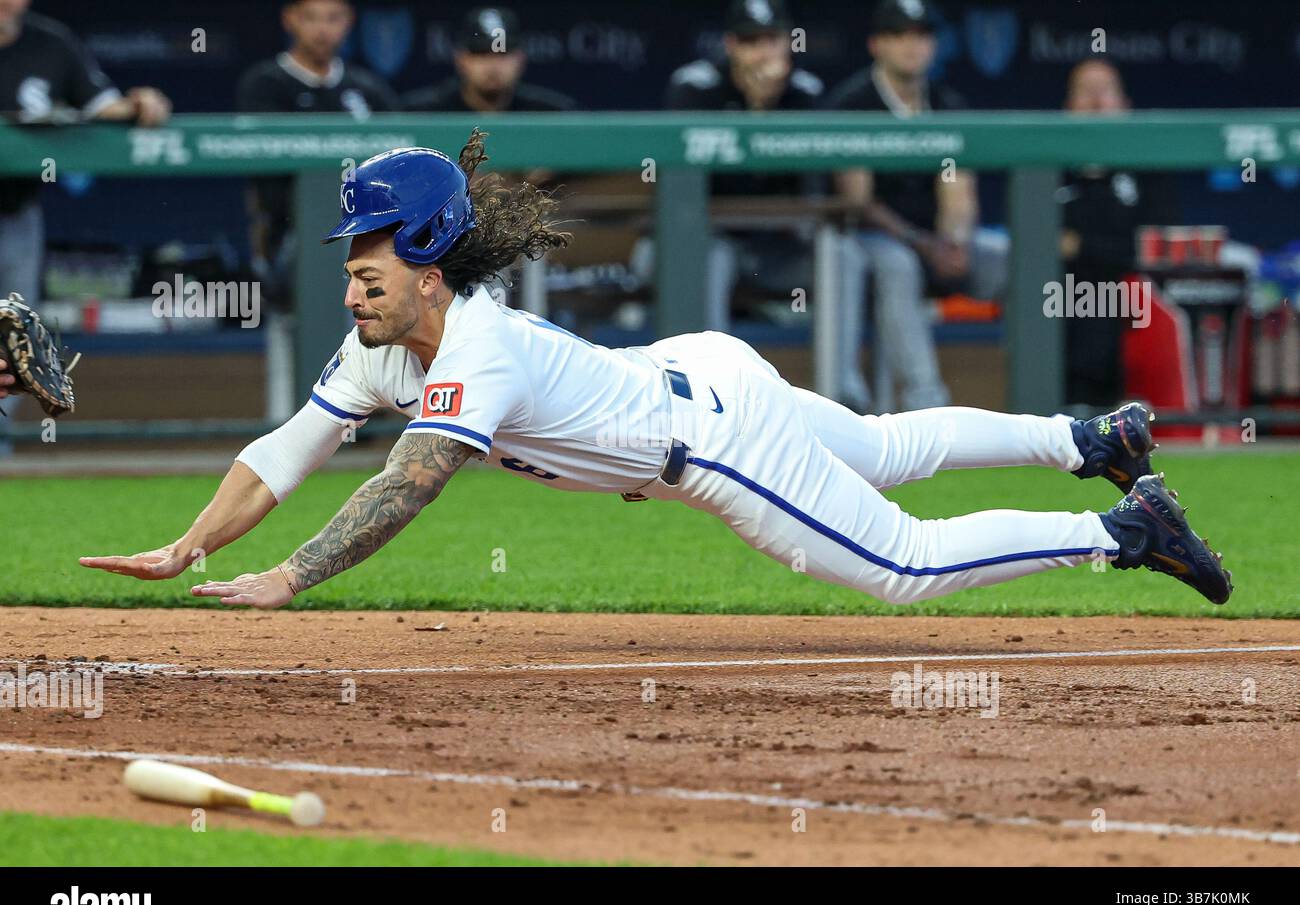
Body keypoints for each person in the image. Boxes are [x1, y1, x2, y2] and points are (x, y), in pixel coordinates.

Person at [79, 131, 1233, 610]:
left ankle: (1124, 525)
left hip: (712, 440)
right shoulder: (383, 345)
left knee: (904, 564)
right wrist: (193, 542)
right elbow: (288, 451)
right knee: (884, 445)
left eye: (367, 259)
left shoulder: (470, 345)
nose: (349, 281)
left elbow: (406, 485)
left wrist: (284, 578)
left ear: (427, 258)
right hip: (692, 365)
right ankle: (1083, 439)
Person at [0, 0, 170, 432]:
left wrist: (139, 102)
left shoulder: (50, 42)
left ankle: (0, 446)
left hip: (15, 213)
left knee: (15, 338)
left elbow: (101, 105)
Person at [828, 0, 1003, 412]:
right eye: (899, 35)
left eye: (921, 35)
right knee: (898, 264)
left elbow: (958, 188)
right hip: (874, 240)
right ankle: (929, 406)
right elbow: (858, 199)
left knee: (1011, 258)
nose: (912, 45)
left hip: (936, 240)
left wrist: (955, 239)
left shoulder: (946, 102)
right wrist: (923, 243)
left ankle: (1047, 399)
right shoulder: (853, 103)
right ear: (876, 44)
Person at [640, 0, 825, 332]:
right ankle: (708, 377)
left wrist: (766, 107)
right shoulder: (695, 87)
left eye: (772, 40)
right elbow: (688, 192)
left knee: (842, 257)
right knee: (709, 258)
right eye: (750, 42)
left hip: (773, 248)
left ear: (788, 42)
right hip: (698, 239)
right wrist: (755, 110)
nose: (763, 53)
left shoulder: (804, 92)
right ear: (730, 45)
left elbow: (811, 188)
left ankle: (839, 381)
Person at [236, 0, 399, 303]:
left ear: (348, 21)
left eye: (333, 18)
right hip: (291, 232)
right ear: (290, 19)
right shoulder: (265, 85)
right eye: (311, 18)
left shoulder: (367, 89)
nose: (322, 30)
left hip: (367, 235)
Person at [1059, 58, 1179, 406]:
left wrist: (1082, 245)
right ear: (1068, 109)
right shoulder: (1050, 168)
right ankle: (1071, 414)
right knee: (1074, 295)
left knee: (1120, 293)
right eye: (1085, 92)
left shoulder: (1149, 167)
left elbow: (1156, 247)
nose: (1097, 101)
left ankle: (1154, 414)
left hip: (1138, 292)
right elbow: (1041, 248)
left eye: (1106, 91)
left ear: (1126, 106)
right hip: (1068, 295)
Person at [404, 8, 574, 113]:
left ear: (520, 59)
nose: (493, 66)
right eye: (482, 54)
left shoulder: (551, 114)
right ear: (461, 59)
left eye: (502, 54)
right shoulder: (421, 113)